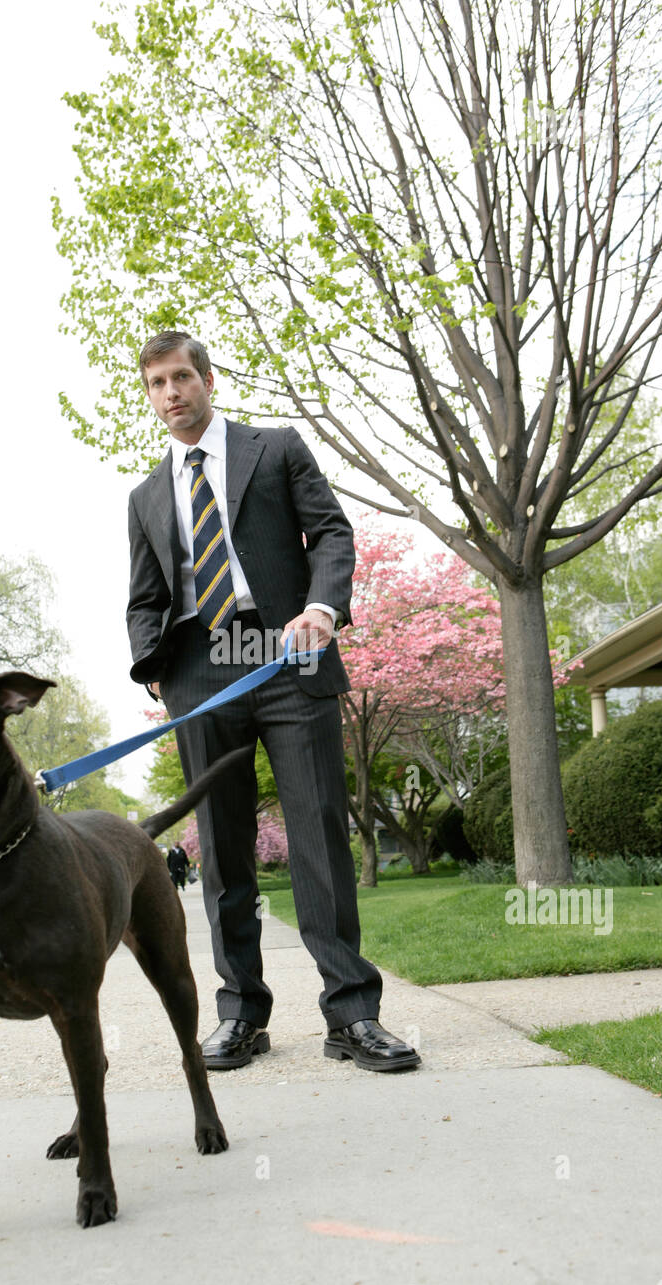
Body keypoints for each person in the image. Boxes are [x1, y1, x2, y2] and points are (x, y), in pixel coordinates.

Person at [126, 331, 420, 1074]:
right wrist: (155, 669)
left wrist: (323, 609)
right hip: (199, 669)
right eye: (157, 382)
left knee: (318, 833)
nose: (172, 393)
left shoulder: (278, 448)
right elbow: (144, 600)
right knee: (222, 853)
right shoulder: (146, 496)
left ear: (209, 378)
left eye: (182, 376)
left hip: (289, 654)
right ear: (150, 392)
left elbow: (330, 533)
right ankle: (241, 1017)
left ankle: (353, 1015)